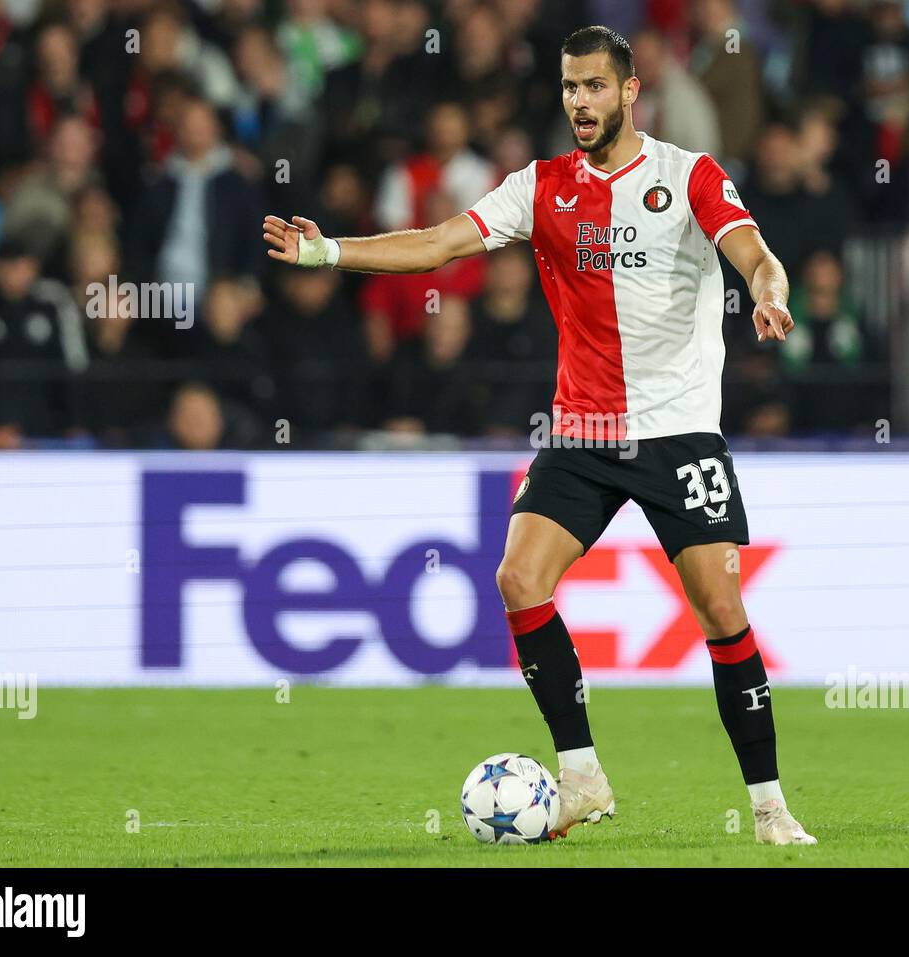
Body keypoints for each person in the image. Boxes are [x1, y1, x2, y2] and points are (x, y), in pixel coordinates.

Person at [263, 25, 816, 847]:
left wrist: (767, 290)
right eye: (569, 88)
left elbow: (753, 252)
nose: (579, 103)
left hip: (677, 431)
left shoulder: (687, 175)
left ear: (629, 92)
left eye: (595, 87)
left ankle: (769, 804)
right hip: (583, 429)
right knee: (519, 579)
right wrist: (328, 251)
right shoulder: (540, 186)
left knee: (721, 607)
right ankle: (582, 774)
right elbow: (439, 245)